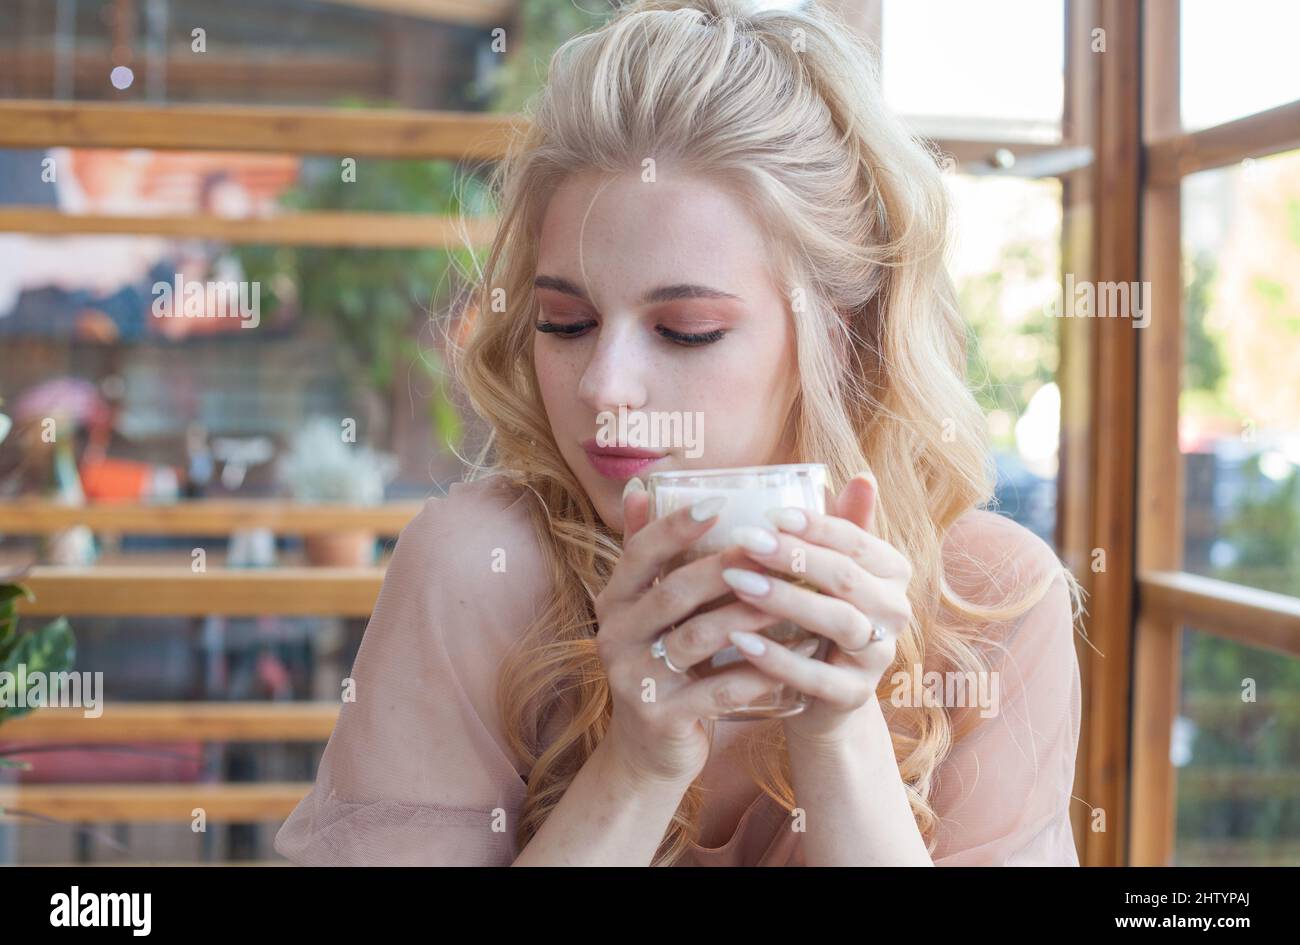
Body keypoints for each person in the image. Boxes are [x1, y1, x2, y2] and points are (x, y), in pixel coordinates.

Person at [275, 0, 1084, 867]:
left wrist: (839, 735)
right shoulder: (480, 571)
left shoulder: (989, 602)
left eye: (686, 329)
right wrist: (637, 765)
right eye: (565, 322)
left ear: (838, 330)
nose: (603, 386)